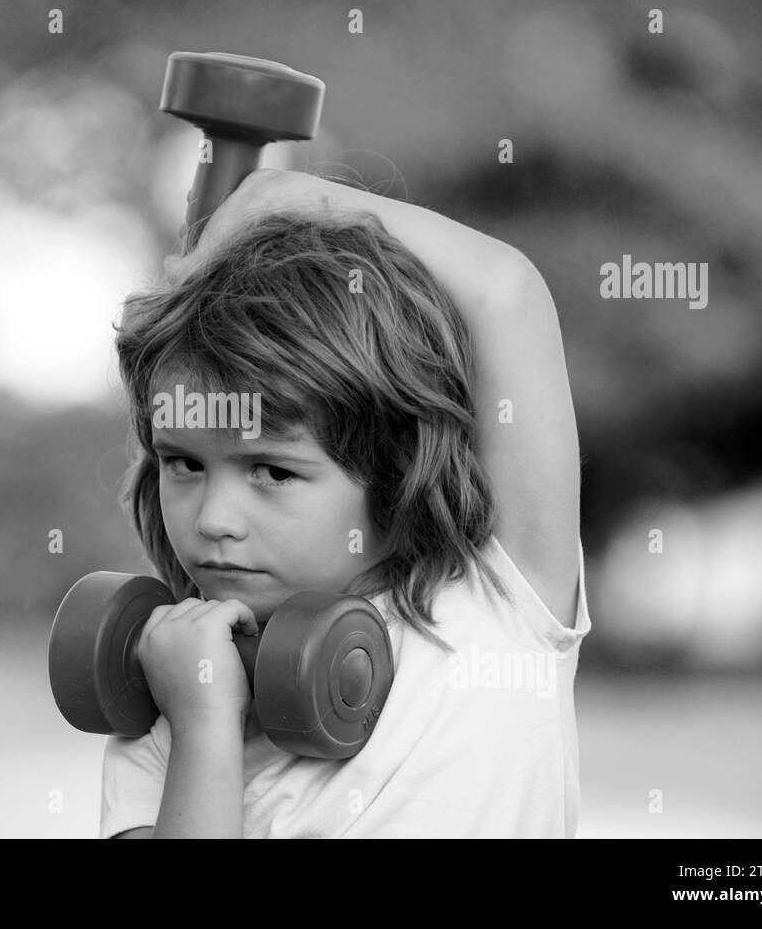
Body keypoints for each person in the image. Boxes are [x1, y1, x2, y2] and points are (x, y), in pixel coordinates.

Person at [101, 169, 591, 838]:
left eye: (271, 471)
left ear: (395, 472)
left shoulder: (498, 607)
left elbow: (505, 292)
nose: (213, 519)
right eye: (184, 462)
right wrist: (205, 728)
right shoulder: (167, 707)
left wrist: (278, 197)